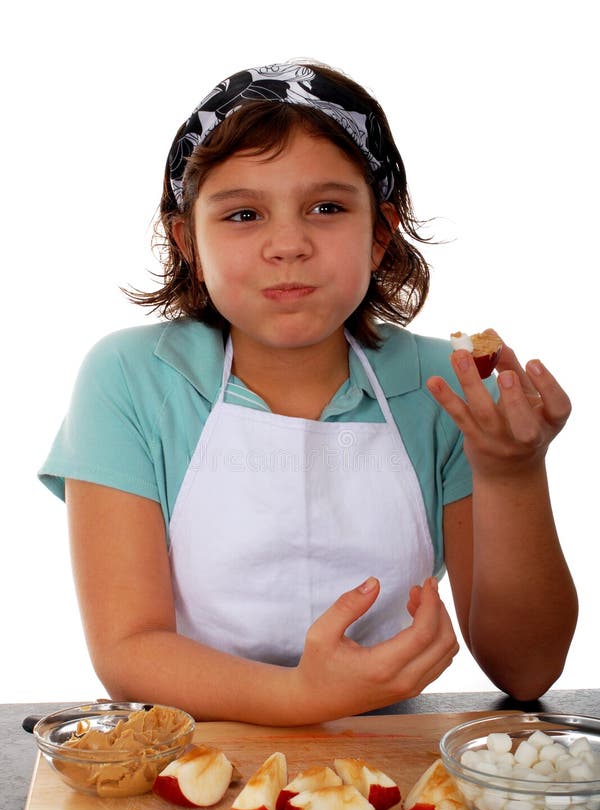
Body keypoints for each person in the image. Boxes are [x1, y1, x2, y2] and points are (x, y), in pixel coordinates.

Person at [39, 61, 577, 725]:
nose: (288, 245)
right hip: (193, 758)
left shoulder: (449, 390)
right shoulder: (131, 378)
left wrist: (512, 472)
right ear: (190, 244)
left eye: (327, 208)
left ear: (379, 235)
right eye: (243, 214)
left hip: (385, 763)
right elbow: (128, 651)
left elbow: (526, 669)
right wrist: (304, 697)